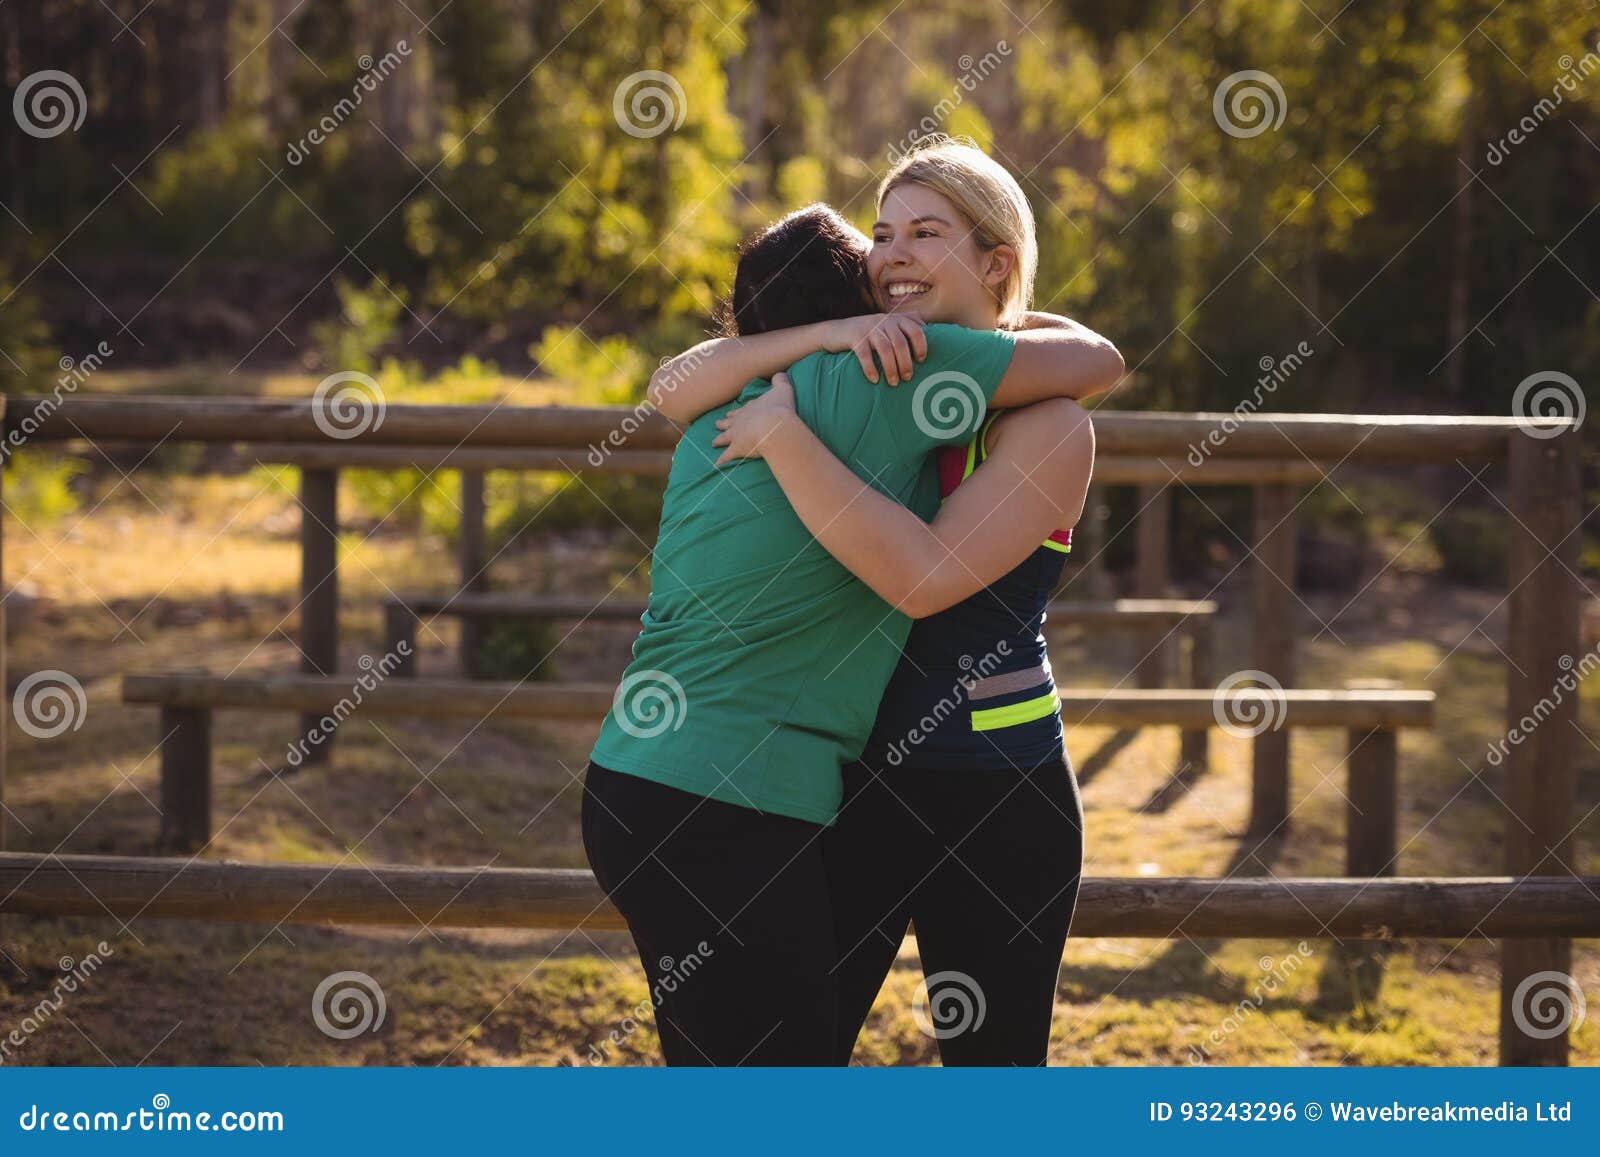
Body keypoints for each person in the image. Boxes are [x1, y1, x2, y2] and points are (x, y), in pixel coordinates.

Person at [581, 194, 1118, 1065]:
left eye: (926, 233)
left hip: (990, 785)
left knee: (981, 1070)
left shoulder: (1013, 408)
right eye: (882, 236)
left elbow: (927, 574)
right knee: (789, 1059)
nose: (895, 254)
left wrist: (788, 433)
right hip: (842, 784)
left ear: (996, 259)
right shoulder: (883, 375)